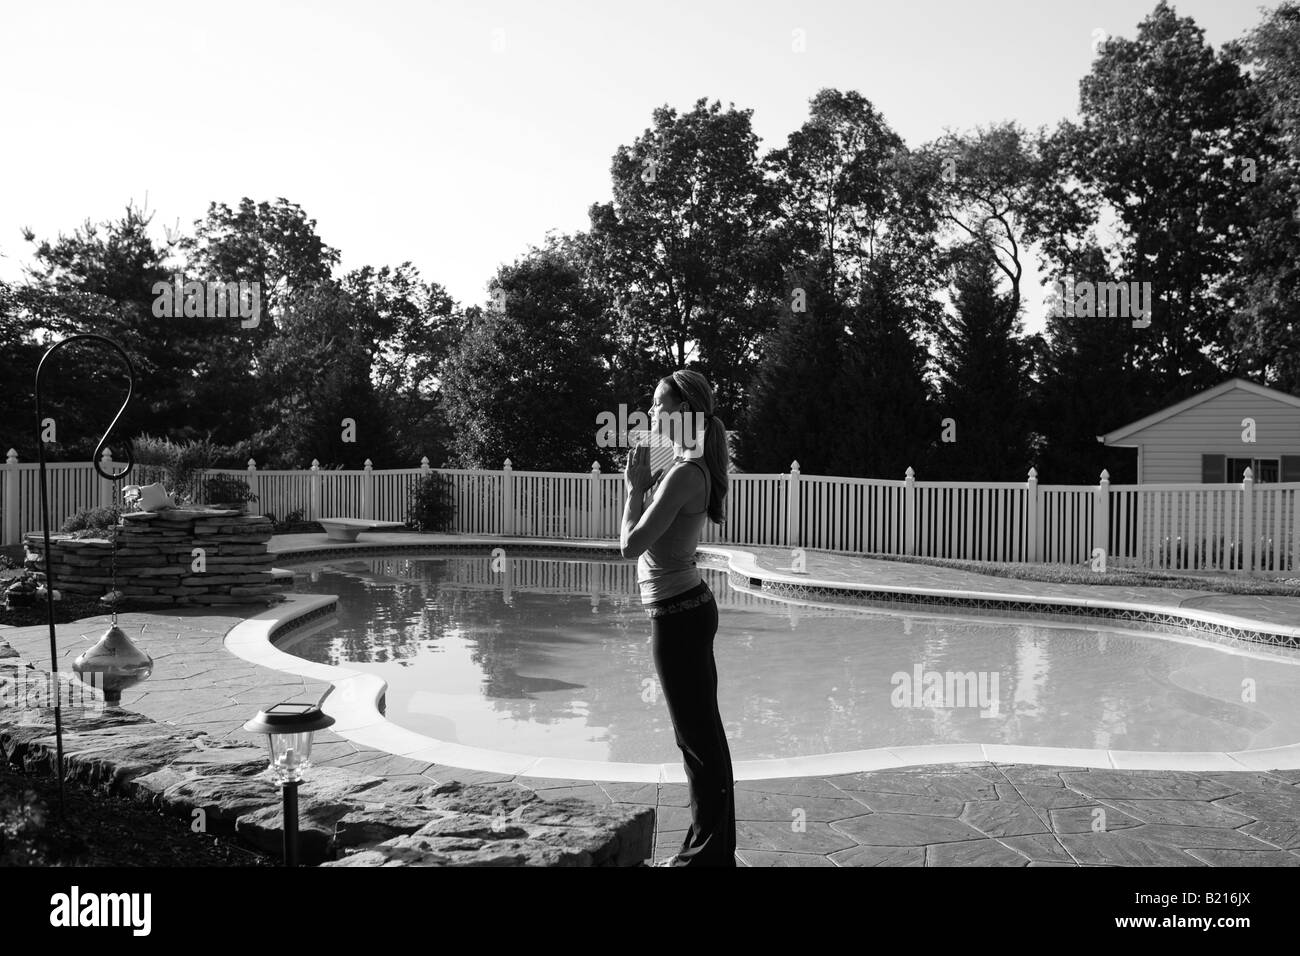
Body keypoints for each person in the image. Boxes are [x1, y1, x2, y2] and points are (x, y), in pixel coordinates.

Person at [620, 369, 736, 867]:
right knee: (700, 736)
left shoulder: (686, 474)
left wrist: (633, 489)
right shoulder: (684, 470)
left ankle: (706, 856)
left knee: (698, 740)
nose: (651, 417)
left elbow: (630, 546)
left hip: (679, 616)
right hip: (682, 611)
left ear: (683, 414)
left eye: (659, 407)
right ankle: (709, 852)